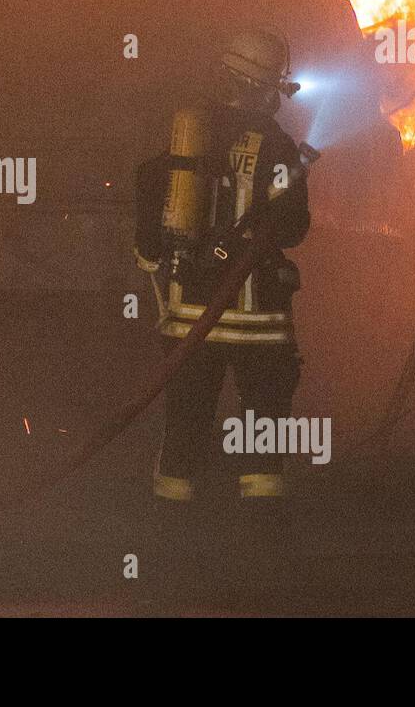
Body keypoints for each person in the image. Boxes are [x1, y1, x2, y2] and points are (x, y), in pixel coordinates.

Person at [133, 30, 311, 503]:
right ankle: (260, 521)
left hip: (191, 312)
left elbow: (148, 184)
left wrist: (150, 254)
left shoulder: (189, 134)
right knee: (264, 423)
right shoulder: (278, 146)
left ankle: (172, 509)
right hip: (260, 321)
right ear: (268, 88)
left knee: (186, 416)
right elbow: (293, 228)